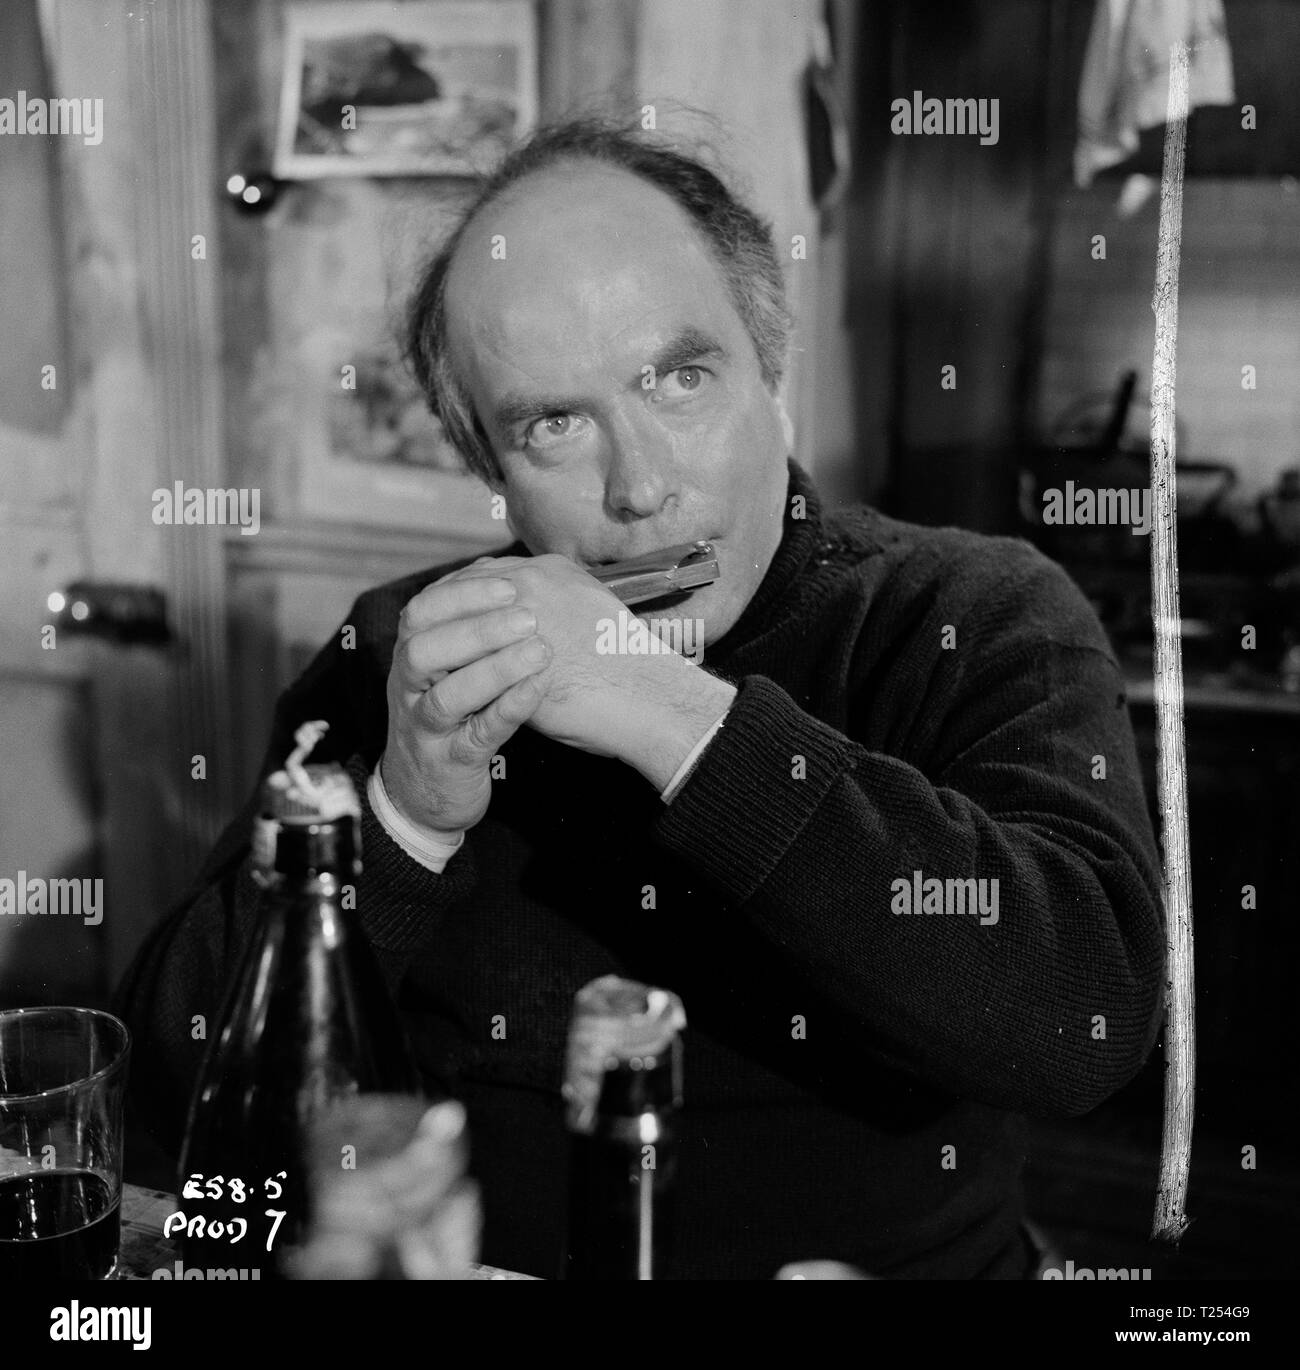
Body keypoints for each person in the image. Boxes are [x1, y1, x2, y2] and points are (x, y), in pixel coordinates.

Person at [115, 116, 1166, 1280]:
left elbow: (1089, 1020)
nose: (642, 485)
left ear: (773, 373)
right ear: (488, 469)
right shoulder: (402, 651)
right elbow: (177, 1093)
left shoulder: (970, 610)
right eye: (554, 423)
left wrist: (674, 714)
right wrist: (402, 816)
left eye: (678, 377)